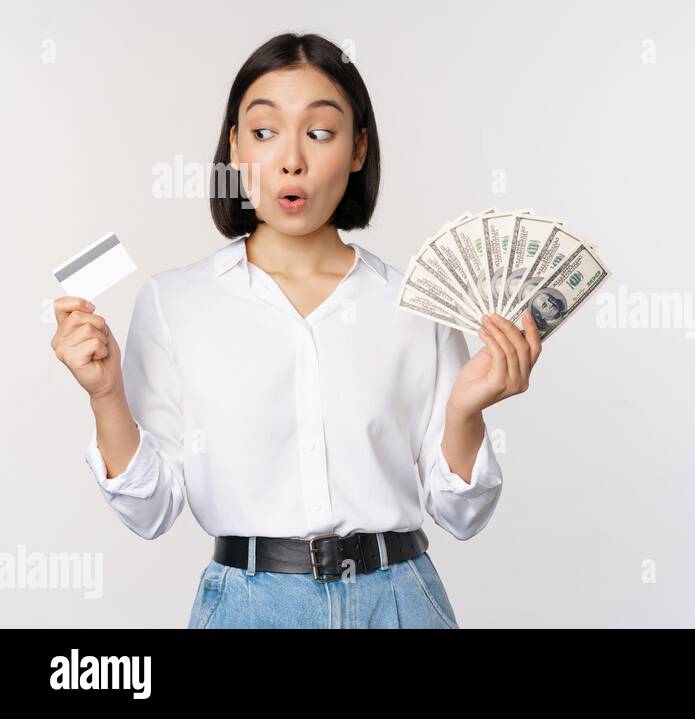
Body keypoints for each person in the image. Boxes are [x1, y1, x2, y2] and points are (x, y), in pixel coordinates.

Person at [48, 32, 541, 628]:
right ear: (234, 147)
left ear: (358, 149)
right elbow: (149, 512)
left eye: (320, 132)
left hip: (400, 603)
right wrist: (106, 397)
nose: (291, 159)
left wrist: (465, 412)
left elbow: (462, 517)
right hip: (250, 608)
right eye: (263, 132)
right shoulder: (174, 301)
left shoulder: (414, 303)